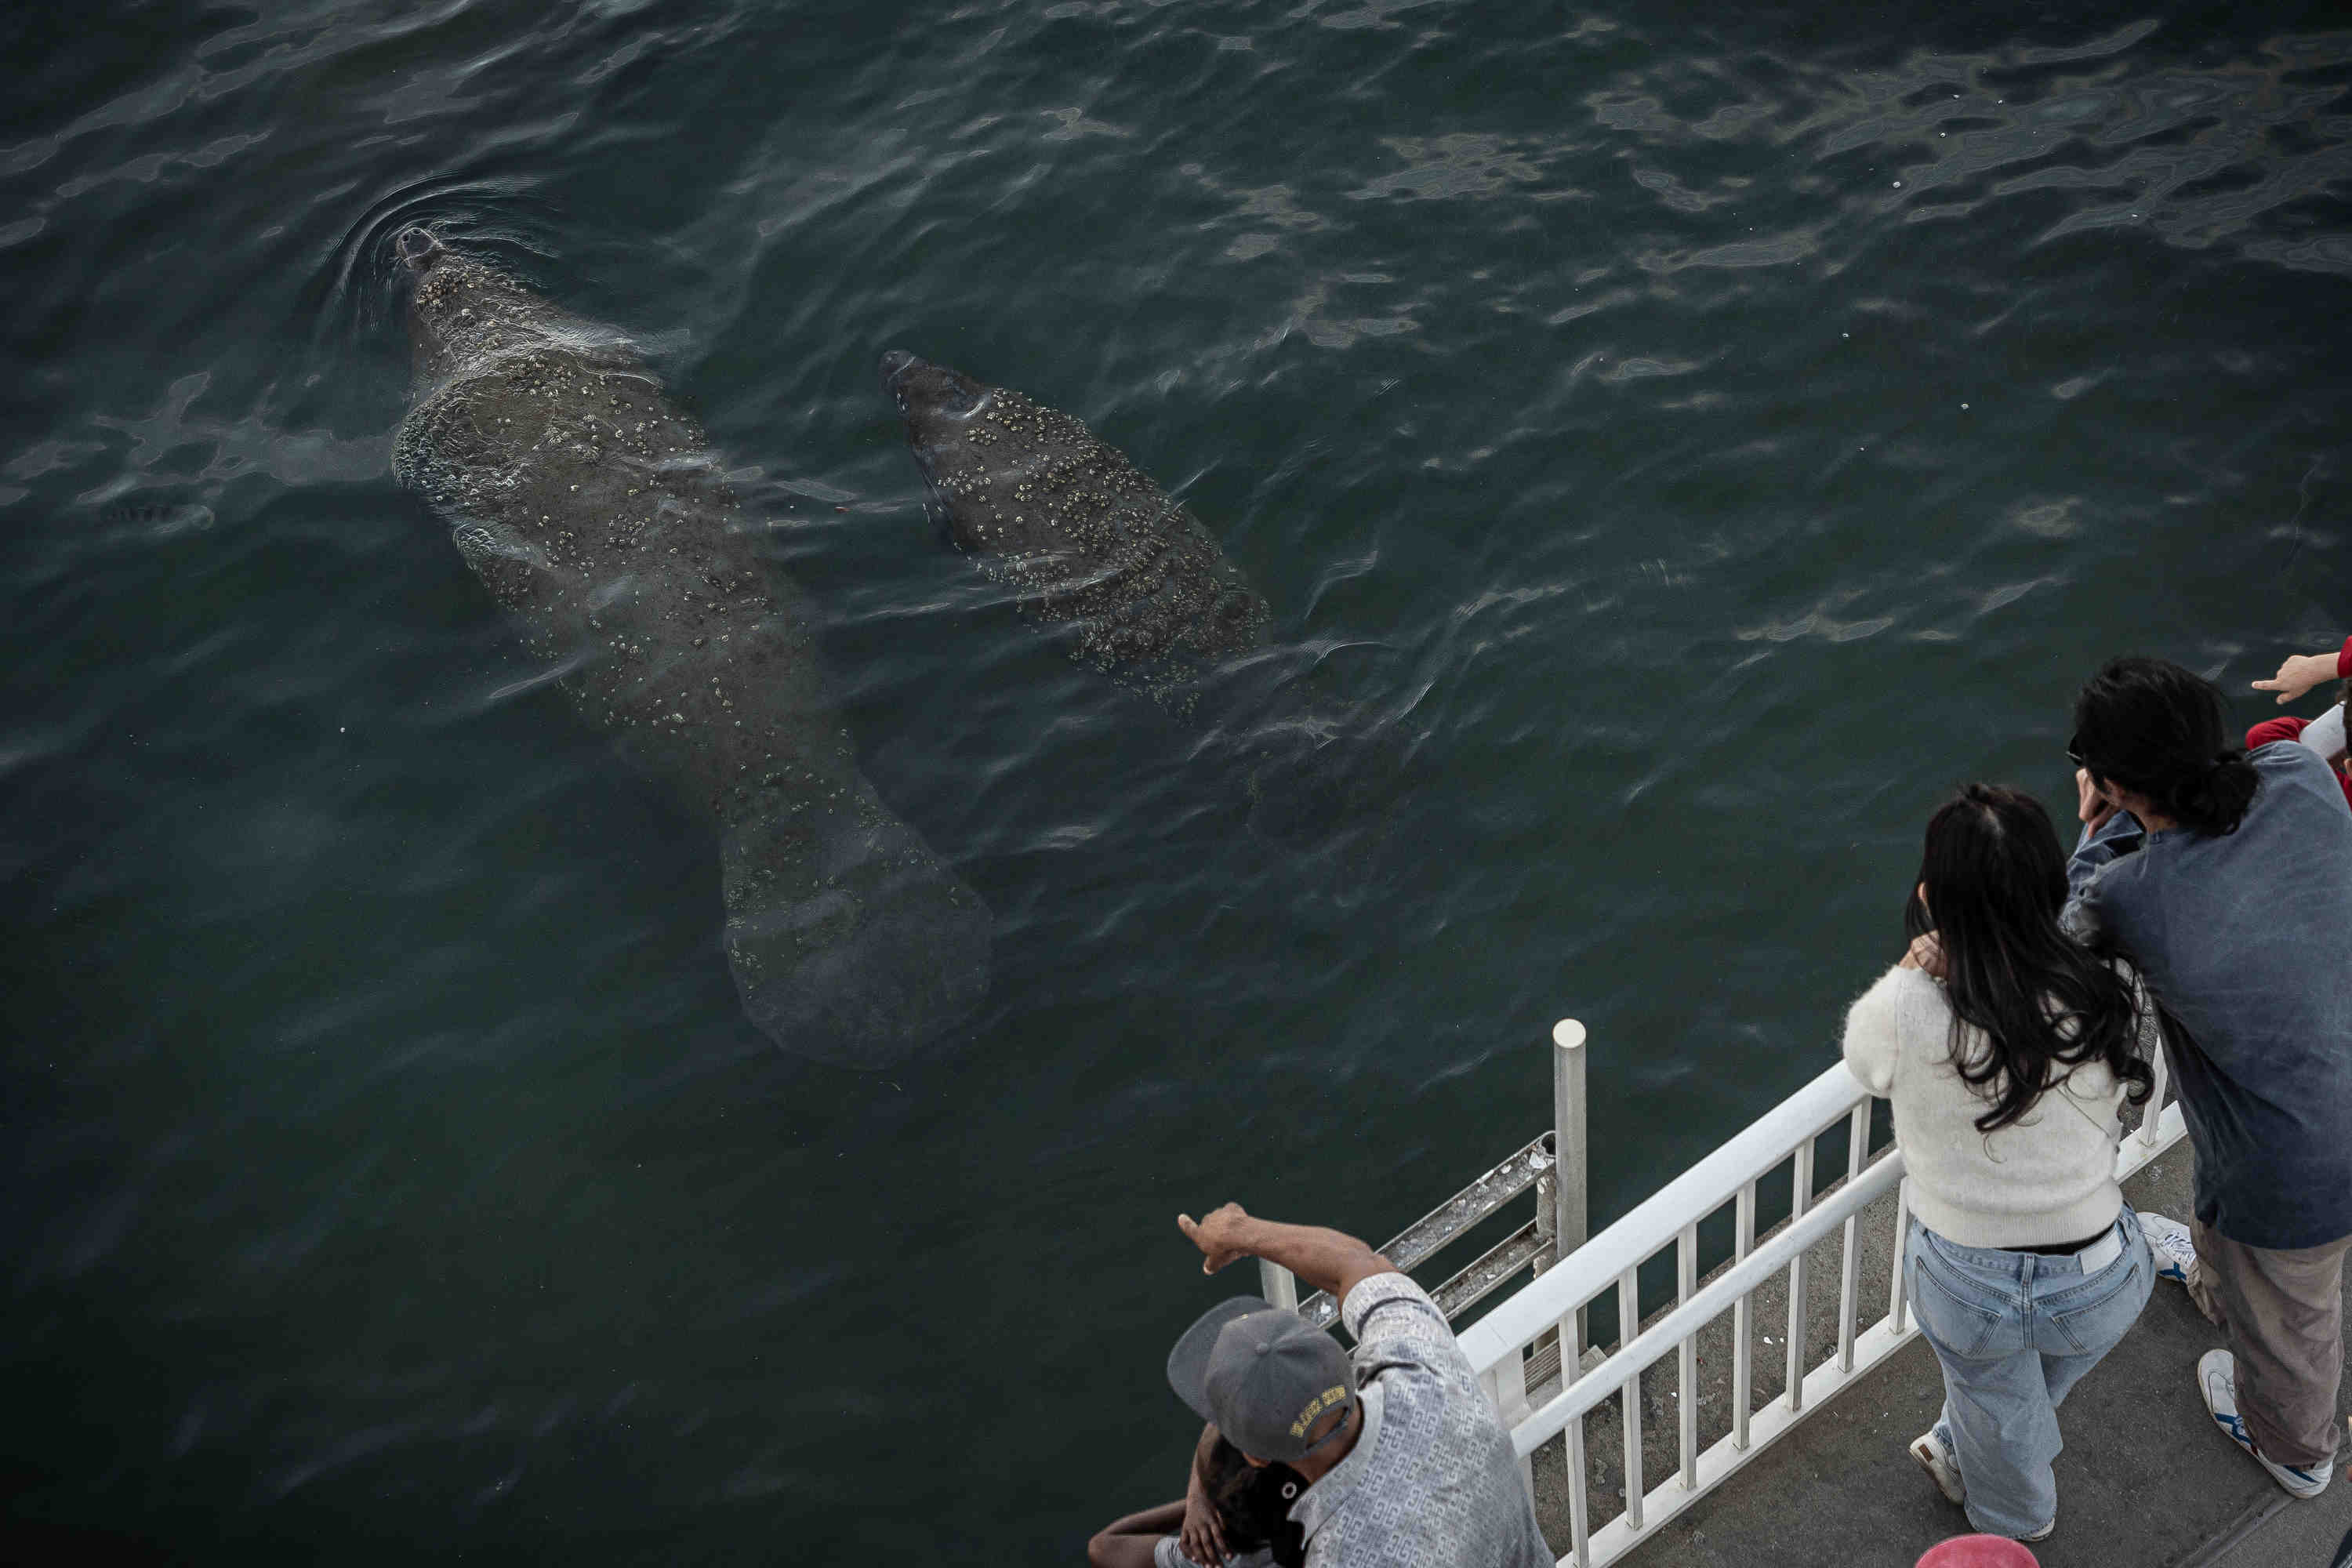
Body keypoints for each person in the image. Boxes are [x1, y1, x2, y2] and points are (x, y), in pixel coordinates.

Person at [2064, 655, 2352, 1501]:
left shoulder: (2130, 893)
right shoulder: (2300, 773)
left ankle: (2295, 1450)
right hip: (2312, 1098)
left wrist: (2098, 820)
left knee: (2297, 1321)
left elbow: (2066, 928)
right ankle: (2218, 1286)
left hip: (2297, 1168)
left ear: (2115, 782)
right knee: (2240, 1234)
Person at [1842, 784, 2160, 1541]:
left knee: (2002, 1413)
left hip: (1967, 1285)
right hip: (2102, 1281)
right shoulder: (2103, 983)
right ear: (2052, 885)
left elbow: (1864, 1059)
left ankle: (2015, 1524)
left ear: (1931, 899)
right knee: (2010, 1401)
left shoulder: (1907, 1005)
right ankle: (1965, 1444)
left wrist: (1914, 969)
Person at [1160, 1204, 1550, 1568]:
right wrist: (1240, 1231)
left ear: (1257, 1458)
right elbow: (1357, 1264)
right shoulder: (1424, 1367)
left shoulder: (1339, 1556)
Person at [1087, 1425, 1304, 1568]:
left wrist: (1199, 1502)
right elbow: (1220, 1417)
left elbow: (1102, 1547)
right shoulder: (1319, 1514)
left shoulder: (1214, 1557)